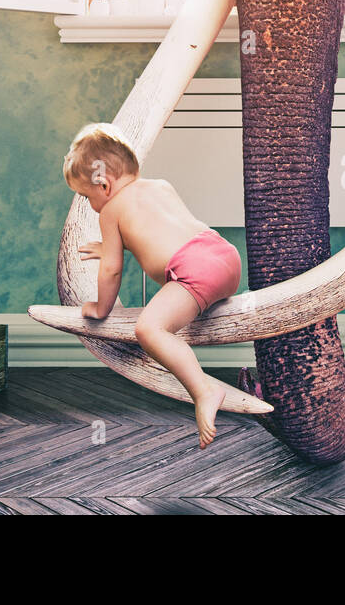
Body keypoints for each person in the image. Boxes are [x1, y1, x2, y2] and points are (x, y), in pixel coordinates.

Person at [62, 122, 249, 449]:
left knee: (149, 329)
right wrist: (113, 245)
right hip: (225, 259)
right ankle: (208, 315)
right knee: (179, 299)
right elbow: (158, 234)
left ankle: (204, 391)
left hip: (195, 272)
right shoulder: (160, 186)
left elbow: (111, 272)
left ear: (104, 185)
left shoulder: (110, 210)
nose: (90, 205)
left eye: (86, 196)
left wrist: (100, 307)